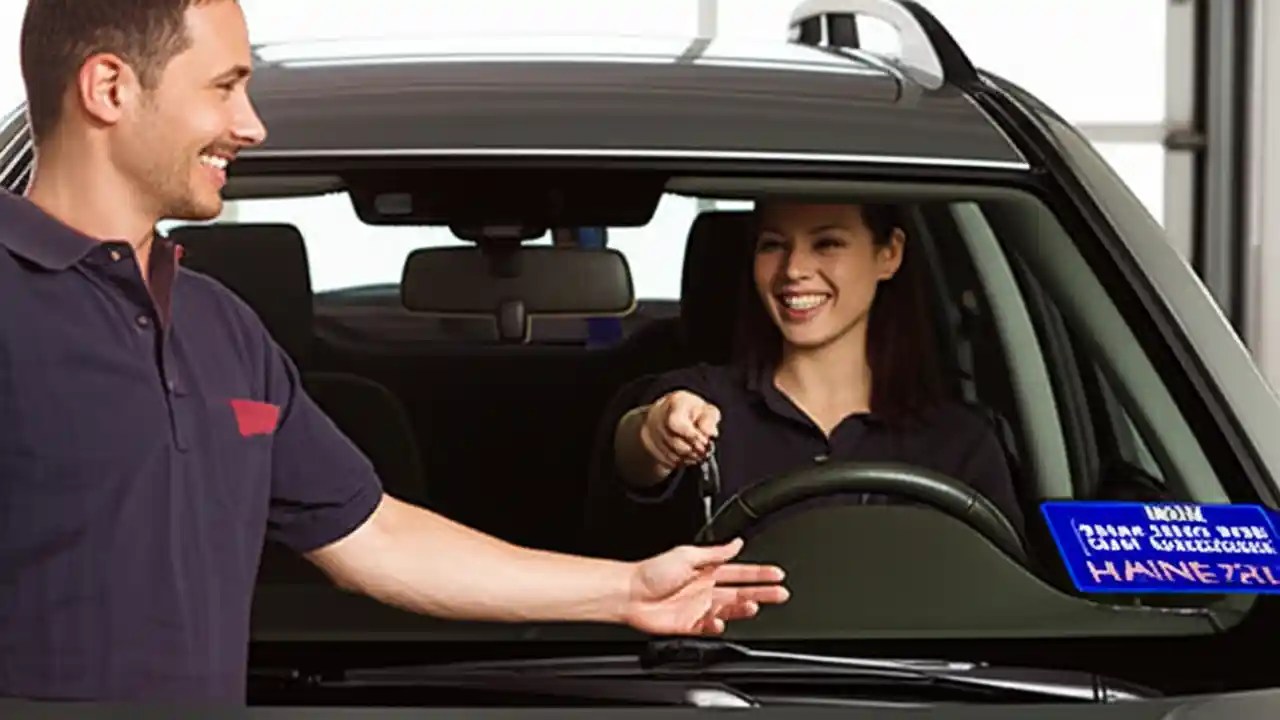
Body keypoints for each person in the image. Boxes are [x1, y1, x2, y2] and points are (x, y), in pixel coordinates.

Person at [0, 0, 789, 704]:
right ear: (109, 88)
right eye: (223, 86)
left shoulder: (221, 328)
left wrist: (626, 591)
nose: (251, 124)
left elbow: (374, 536)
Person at [612, 200, 1026, 540]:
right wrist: (655, 432)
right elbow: (637, 451)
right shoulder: (702, 401)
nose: (793, 270)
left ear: (890, 254)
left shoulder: (959, 440)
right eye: (773, 245)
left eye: (827, 243)